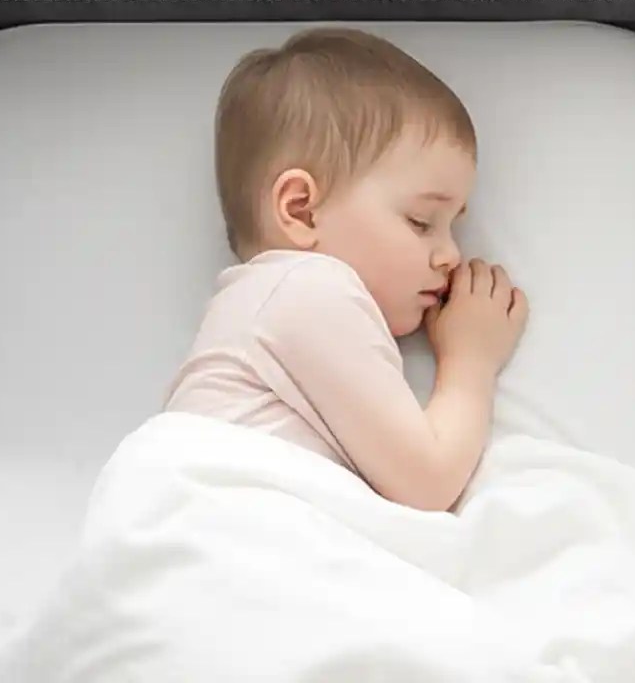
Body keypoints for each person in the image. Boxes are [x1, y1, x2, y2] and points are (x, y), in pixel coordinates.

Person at [165, 27, 529, 512]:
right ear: (302, 212)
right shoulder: (306, 290)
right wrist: (471, 361)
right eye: (421, 222)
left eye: (453, 228)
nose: (451, 256)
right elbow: (428, 482)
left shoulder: (262, 307)